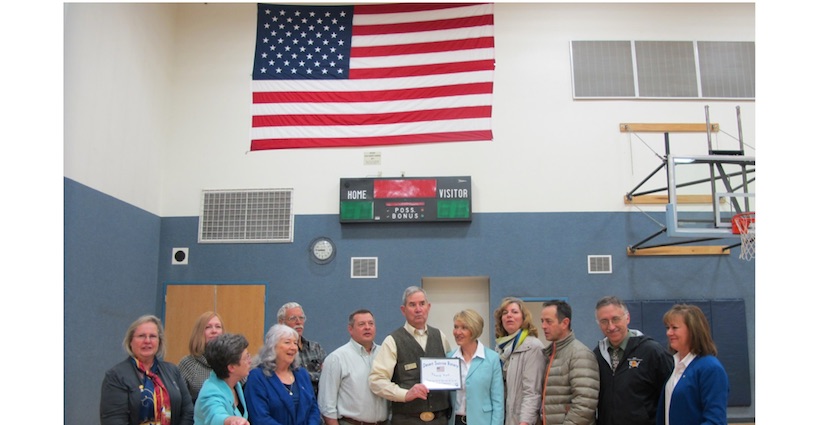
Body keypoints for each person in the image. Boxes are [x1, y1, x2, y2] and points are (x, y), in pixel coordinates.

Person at [369, 286, 452, 425]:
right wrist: (405, 394)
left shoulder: (440, 336)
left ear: (428, 307)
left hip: (440, 419)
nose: (418, 309)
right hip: (406, 419)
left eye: (422, 304)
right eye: (412, 305)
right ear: (403, 310)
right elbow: (376, 381)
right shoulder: (393, 340)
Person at [100, 314, 194, 425]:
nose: (147, 341)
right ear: (130, 341)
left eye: (153, 336)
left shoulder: (172, 371)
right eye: (141, 336)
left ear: (159, 342)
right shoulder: (116, 376)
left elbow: (188, 411)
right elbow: (114, 419)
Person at [593, 296, 673, 425]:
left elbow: (670, 395)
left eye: (615, 319)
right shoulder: (597, 356)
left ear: (627, 318)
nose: (611, 326)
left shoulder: (652, 352)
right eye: (604, 321)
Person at [656, 304, 728, 425]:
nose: (669, 333)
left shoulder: (710, 368)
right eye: (667, 327)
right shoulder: (674, 365)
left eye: (674, 328)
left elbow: (715, 421)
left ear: (693, 330)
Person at [318, 309, 390, 425]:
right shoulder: (336, 358)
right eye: (361, 324)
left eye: (371, 323)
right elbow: (326, 405)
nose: (367, 327)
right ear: (350, 329)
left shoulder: (385, 353)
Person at [244, 323, 322, 425]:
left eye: (295, 343)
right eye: (287, 342)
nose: (293, 347)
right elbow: (260, 418)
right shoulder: (257, 376)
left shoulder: (302, 374)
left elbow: (313, 409)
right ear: (272, 346)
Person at [539, 300, 599, 425]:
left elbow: (585, 404)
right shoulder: (550, 354)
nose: (543, 326)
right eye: (542, 321)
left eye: (548, 321)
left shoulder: (580, 354)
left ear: (565, 323)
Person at [493, 297, 547, 425]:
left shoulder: (533, 347)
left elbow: (532, 392)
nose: (509, 316)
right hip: (503, 418)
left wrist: (525, 422)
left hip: (522, 420)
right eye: (505, 313)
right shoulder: (500, 348)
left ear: (524, 318)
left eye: (514, 312)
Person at [448, 309, 504, 425]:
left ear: (474, 330)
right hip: (455, 421)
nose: (457, 332)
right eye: (456, 327)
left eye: (464, 328)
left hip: (482, 421)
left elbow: (498, 401)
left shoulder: (492, 358)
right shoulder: (449, 358)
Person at [194, 333, 251, 425]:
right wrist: (231, 420)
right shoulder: (210, 392)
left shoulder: (236, 384)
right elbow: (216, 415)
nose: (250, 361)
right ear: (231, 367)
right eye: (246, 358)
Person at [278, 302, 326, 395]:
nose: (298, 322)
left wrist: (302, 376)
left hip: (317, 401)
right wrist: (316, 376)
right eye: (293, 318)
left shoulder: (315, 348)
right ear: (281, 322)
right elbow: (289, 378)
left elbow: (328, 376)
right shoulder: (279, 350)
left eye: (301, 318)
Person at [180, 311, 226, 401]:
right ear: (199, 333)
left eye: (218, 327)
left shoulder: (232, 361)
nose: (214, 331)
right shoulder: (187, 364)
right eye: (208, 327)